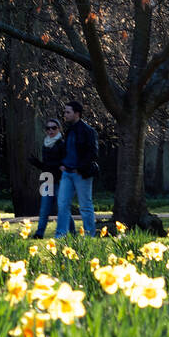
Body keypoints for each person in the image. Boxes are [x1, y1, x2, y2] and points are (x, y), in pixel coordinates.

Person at [54, 100, 99, 237]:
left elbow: (93, 153)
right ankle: (60, 235)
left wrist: (79, 168)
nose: (65, 115)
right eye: (65, 112)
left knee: (85, 206)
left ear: (77, 114)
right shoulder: (69, 130)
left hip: (81, 174)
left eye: (68, 112)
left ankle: (90, 235)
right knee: (62, 205)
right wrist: (62, 164)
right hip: (67, 173)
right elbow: (66, 150)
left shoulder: (88, 131)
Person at [28, 117, 65, 238]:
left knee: (62, 208)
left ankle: (72, 232)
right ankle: (39, 233)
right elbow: (46, 166)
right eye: (48, 128)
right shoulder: (45, 143)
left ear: (59, 129)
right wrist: (36, 163)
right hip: (47, 178)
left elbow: (61, 163)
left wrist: (56, 166)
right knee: (44, 209)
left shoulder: (61, 144)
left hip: (60, 179)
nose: (50, 130)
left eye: (53, 128)